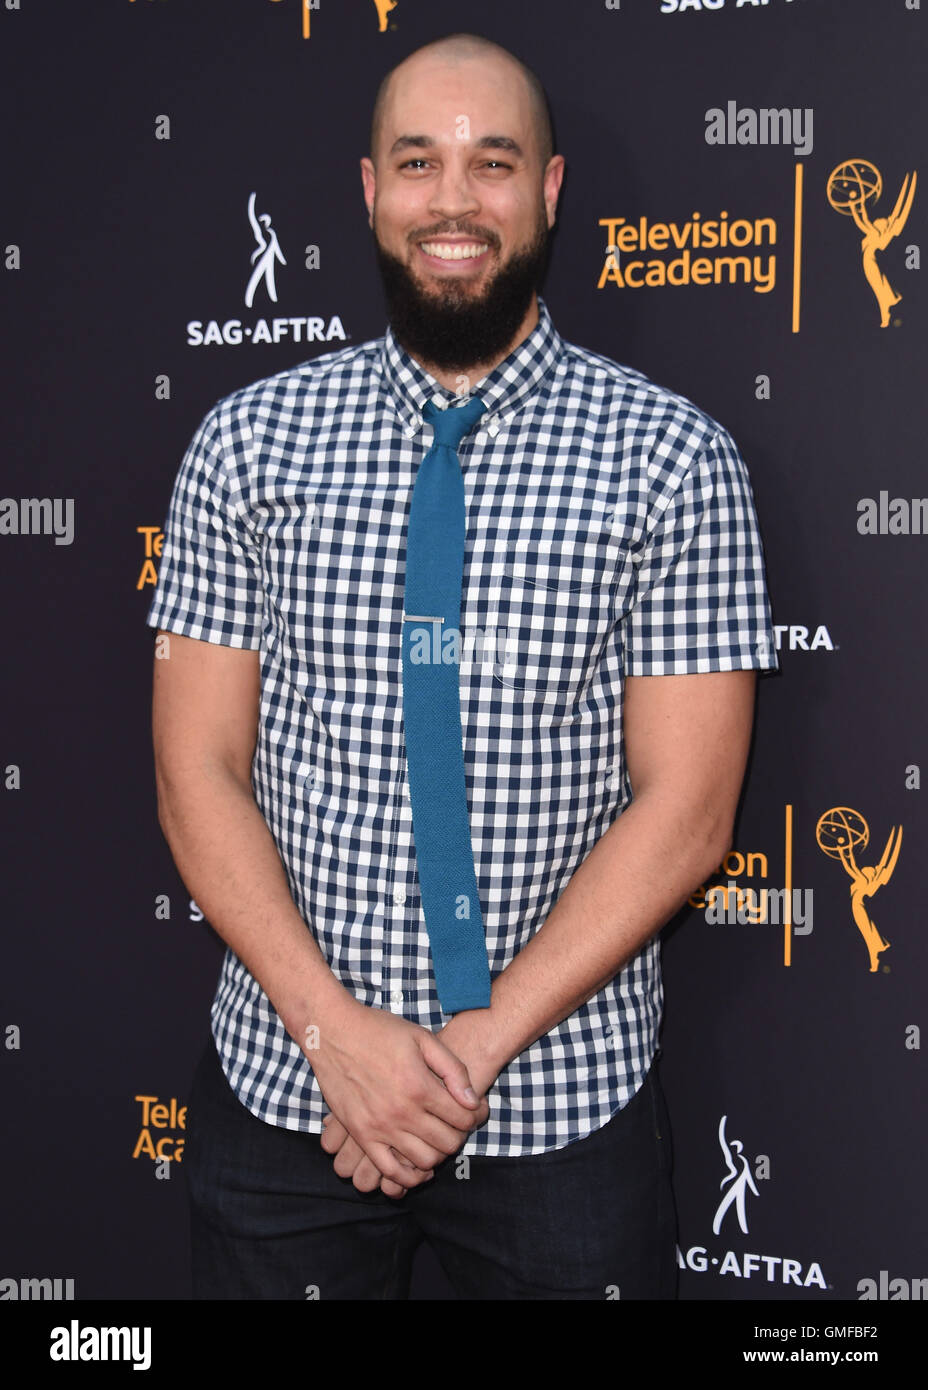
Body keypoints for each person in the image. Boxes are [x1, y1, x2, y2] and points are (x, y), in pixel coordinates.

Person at [147, 31, 778, 1300]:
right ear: (369, 191)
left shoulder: (673, 461)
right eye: (418, 162)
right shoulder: (247, 446)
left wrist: (467, 1053)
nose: (454, 201)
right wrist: (337, 1039)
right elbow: (196, 769)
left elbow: (690, 812)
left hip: (560, 1108)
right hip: (286, 1094)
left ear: (547, 194)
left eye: (493, 164)